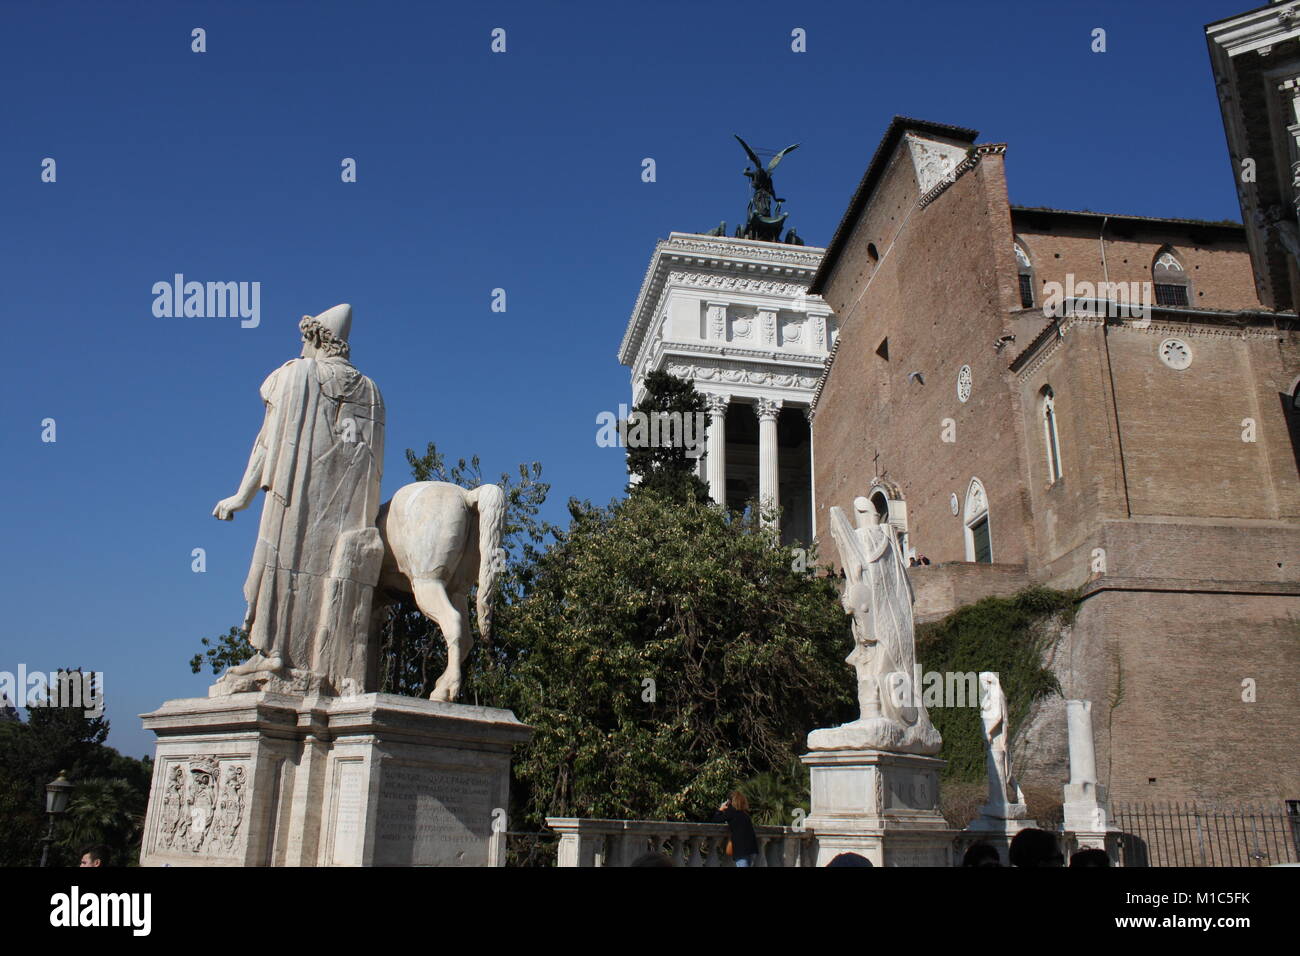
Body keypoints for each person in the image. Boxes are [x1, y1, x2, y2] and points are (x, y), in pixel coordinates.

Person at [711, 791, 759, 867]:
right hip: (752, 848)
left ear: (729, 801)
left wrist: (720, 809)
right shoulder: (745, 813)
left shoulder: (731, 812)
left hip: (742, 850)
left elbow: (715, 820)